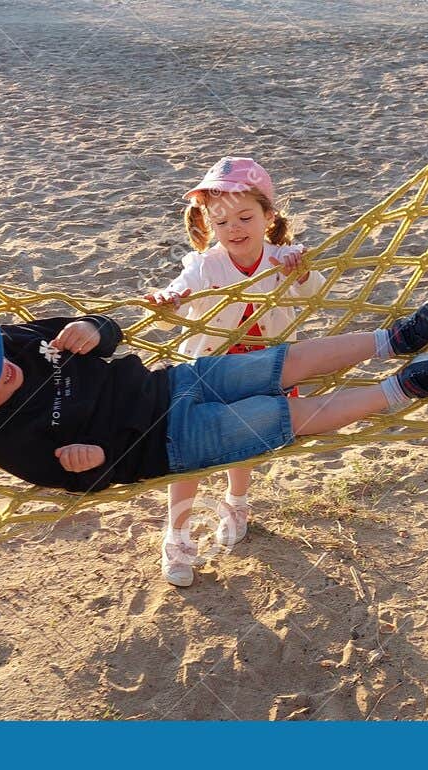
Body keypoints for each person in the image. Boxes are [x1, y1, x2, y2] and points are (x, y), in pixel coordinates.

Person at [0, 302, 428, 586]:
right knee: (283, 415)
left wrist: (94, 330)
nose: (2, 368)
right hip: (166, 443)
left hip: (169, 383)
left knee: (276, 365)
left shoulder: (8, 344)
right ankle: (400, 389)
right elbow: (79, 479)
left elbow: (106, 332)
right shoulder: (7, 443)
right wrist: (87, 462)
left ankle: (389, 341)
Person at [143, 157, 322, 563]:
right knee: (189, 451)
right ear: (209, 225)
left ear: (268, 216)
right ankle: (177, 533)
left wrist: (301, 271)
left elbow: (314, 296)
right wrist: (168, 300)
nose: (234, 230)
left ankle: (236, 502)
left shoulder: (283, 259)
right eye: (222, 223)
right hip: (210, 371)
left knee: (243, 442)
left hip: (264, 369)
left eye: (245, 217)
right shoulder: (205, 265)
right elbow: (180, 294)